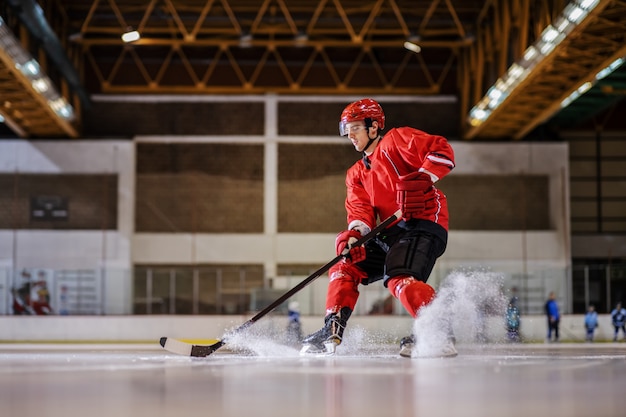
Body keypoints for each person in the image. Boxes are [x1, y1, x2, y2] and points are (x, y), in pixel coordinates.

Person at [300, 98, 455, 357]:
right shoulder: (356, 173)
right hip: (387, 232)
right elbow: (360, 213)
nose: (350, 135)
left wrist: (423, 178)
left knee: (399, 277)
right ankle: (332, 327)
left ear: (374, 127)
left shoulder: (396, 140)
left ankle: (437, 332)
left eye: (355, 128)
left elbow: (442, 151)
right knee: (344, 265)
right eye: (346, 129)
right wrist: (354, 238)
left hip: (422, 223)